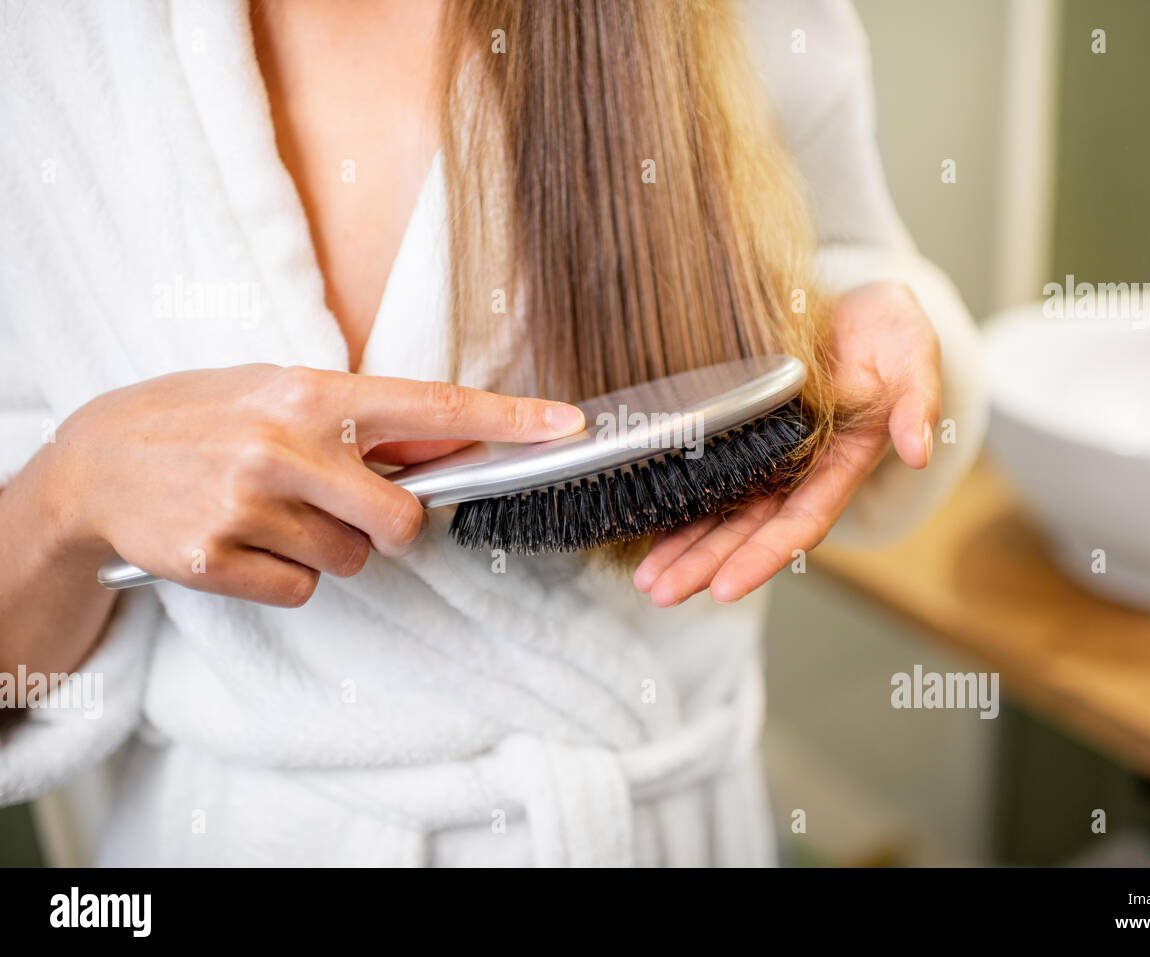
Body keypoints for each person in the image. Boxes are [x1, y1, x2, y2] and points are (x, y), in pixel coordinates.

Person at [0, 0, 984, 865]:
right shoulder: (47, 50)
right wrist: (63, 500)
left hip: (657, 823)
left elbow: (846, 262)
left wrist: (877, 332)